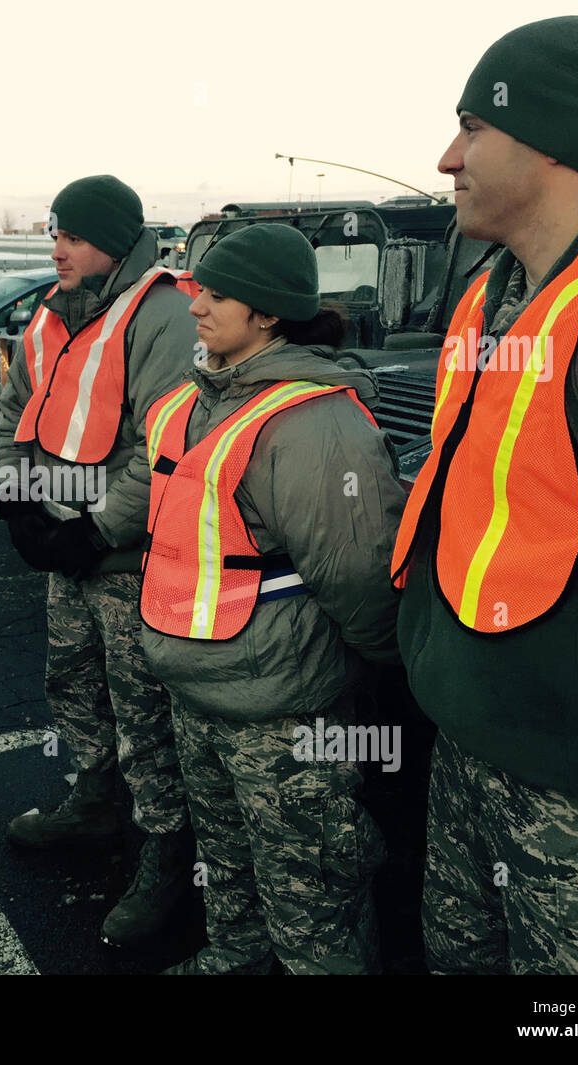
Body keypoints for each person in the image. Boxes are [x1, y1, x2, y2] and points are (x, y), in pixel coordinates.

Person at [391, 17, 578, 974]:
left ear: (556, 137)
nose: (447, 156)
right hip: (472, 757)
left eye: (473, 128)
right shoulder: (494, 292)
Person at [139, 224, 405, 974]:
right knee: (227, 860)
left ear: (267, 313)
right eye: (196, 286)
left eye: (215, 293)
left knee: (310, 889)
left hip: (285, 710)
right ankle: (238, 956)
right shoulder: (197, 402)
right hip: (200, 688)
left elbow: (358, 575)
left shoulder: (314, 422)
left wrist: (378, 673)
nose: (195, 304)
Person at [0, 174, 198, 948]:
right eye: (53, 234)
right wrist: (16, 500)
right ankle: (92, 799)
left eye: (71, 236)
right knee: (72, 682)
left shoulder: (163, 312)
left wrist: (97, 530)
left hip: (125, 564)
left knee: (143, 711)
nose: (57, 251)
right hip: (62, 551)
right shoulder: (51, 316)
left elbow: (163, 445)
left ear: (112, 240)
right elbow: (18, 408)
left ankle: (166, 852)